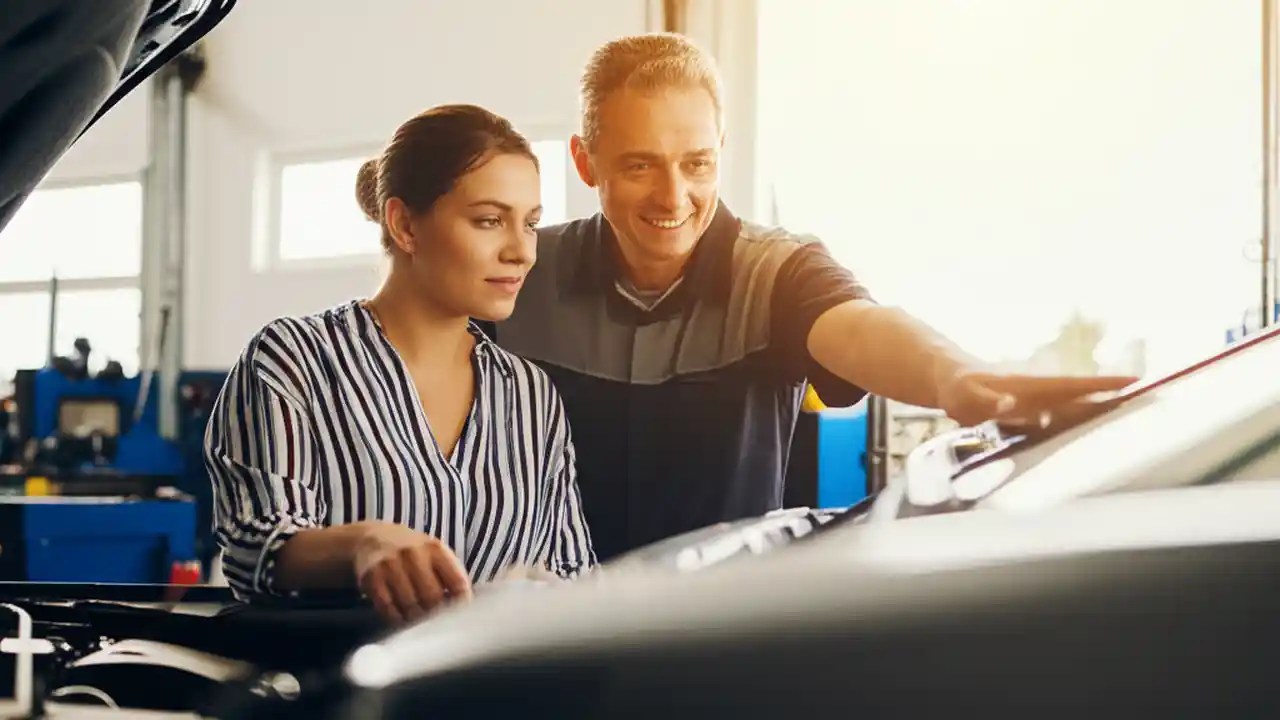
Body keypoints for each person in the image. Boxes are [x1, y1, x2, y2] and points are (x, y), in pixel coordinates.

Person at [491, 33, 1135, 561]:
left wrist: (954, 375)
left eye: (696, 163)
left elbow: (858, 328)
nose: (672, 196)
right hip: (553, 640)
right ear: (585, 161)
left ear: (721, 152)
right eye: (639, 165)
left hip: (718, 643)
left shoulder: (773, 271)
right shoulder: (519, 274)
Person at [204, 104, 595, 624]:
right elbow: (256, 548)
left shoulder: (531, 395)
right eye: (489, 221)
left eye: (531, 223)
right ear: (405, 224)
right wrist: (363, 544)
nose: (522, 251)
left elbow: (572, 575)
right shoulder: (292, 360)